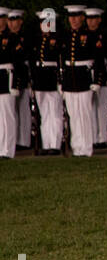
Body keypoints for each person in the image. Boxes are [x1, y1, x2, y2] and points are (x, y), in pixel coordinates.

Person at [58, 4, 103, 157]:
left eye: (77, 17)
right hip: (70, 79)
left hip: (84, 78)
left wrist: (97, 80)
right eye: (71, 17)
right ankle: (76, 147)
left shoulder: (90, 36)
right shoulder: (65, 36)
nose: (74, 20)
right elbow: (61, 61)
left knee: (84, 114)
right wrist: (61, 82)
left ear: (82, 18)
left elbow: (98, 60)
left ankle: (86, 147)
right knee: (73, 115)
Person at [29, 8, 63, 155]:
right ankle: (46, 143)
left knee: (54, 112)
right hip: (39, 77)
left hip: (52, 76)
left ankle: (55, 144)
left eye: (49, 22)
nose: (46, 25)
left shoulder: (58, 40)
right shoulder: (36, 39)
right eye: (44, 22)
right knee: (43, 113)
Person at [0, 8, 26, 159]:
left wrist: (16, 84)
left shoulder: (12, 38)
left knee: (7, 116)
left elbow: (19, 63)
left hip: (6, 79)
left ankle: (7, 150)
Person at [84, 8, 107, 149]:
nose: (91, 22)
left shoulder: (104, 35)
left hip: (101, 75)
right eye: (88, 19)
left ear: (99, 19)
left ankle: (102, 137)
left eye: (94, 18)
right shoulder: (84, 35)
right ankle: (93, 136)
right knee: (90, 107)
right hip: (87, 75)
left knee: (101, 107)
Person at [7, 10, 32, 152]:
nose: (12, 23)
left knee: (23, 109)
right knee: (11, 110)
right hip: (11, 78)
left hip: (23, 76)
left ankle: (24, 140)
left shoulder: (25, 38)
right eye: (10, 20)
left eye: (15, 20)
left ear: (20, 21)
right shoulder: (7, 37)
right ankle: (14, 139)